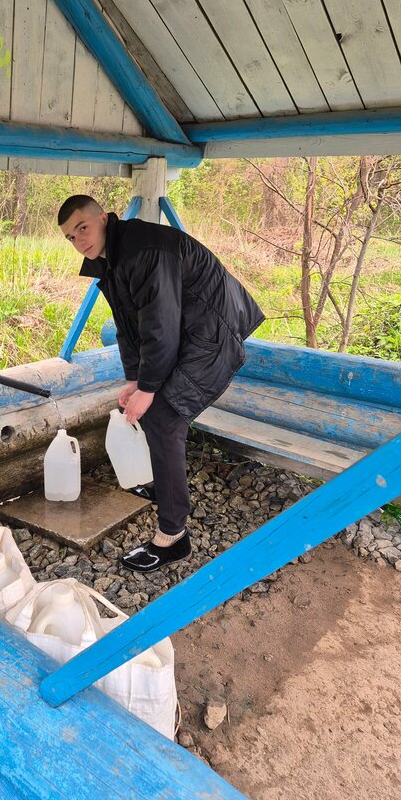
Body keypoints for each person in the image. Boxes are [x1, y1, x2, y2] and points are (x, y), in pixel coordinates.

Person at [58, 194, 264, 573]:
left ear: (102, 218)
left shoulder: (143, 251)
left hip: (213, 331)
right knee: (151, 411)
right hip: (188, 328)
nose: (78, 241)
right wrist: (135, 379)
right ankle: (165, 485)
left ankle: (173, 535)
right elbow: (129, 324)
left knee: (165, 416)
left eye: (82, 228)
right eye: (70, 237)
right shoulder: (112, 257)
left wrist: (149, 389)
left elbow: (160, 325)